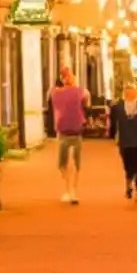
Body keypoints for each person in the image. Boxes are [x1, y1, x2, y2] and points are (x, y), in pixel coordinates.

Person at [49, 66, 90, 205]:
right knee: (68, 164)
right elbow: (86, 102)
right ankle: (70, 190)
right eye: (67, 76)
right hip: (68, 131)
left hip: (70, 131)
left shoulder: (57, 93)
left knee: (70, 164)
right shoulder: (79, 92)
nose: (69, 78)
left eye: (70, 76)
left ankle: (71, 191)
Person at [109, 83, 137, 200]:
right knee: (127, 165)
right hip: (125, 140)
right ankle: (128, 186)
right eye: (127, 91)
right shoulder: (118, 106)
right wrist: (113, 136)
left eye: (132, 90)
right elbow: (113, 123)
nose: (129, 93)